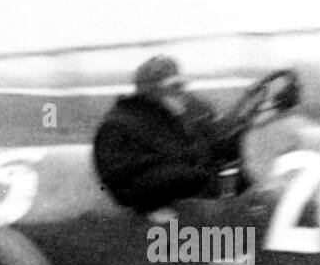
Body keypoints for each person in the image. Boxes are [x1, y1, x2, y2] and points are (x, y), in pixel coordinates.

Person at [93, 55, 243, 213]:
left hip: (205, 206)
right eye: (173, 87)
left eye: (181, 86)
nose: (182, 93)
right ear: (150, 93)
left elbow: (218, 147)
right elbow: (127, 184)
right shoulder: (119, 127)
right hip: (163, 219)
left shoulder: (190, 113)